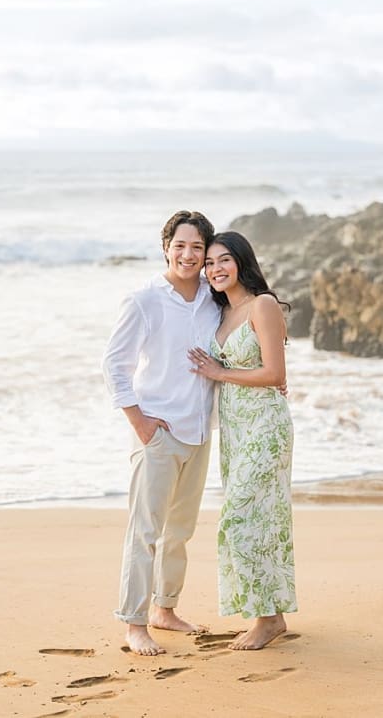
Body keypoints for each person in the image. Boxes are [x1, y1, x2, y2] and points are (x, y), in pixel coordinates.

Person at [102, 210, 220, 656]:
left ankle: (164, 609)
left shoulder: (214, 297)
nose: (188, 255)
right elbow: (114, 364)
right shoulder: (143, 299)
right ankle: (134, 623)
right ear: (166, 248)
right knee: (145, 531)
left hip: (199, 430)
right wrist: (139, 421)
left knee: (180, 530)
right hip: (158, 431)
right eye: (180, 246)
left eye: (197, 248)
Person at [187, 230, 296, 651]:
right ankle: (271, 615)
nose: (215, 269)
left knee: (238, 516)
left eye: (223, 260)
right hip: (235, 427)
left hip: (265, 426)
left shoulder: (262, 305)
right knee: (262, 520)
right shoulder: (220, 314)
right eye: (209, 263)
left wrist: (219, 372)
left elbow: (275, 375)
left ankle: (267, 619)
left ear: (241, 261)